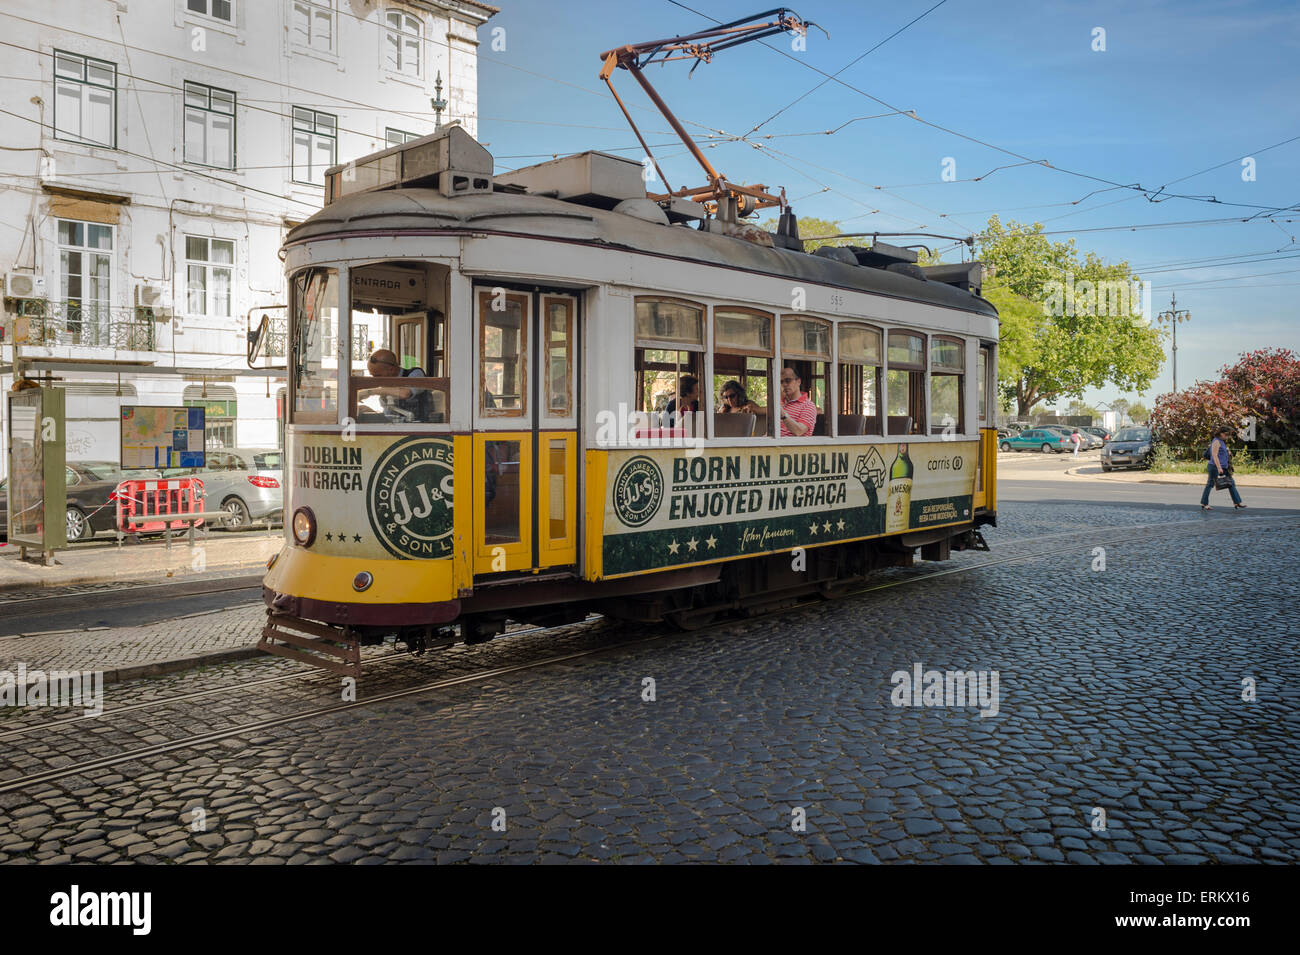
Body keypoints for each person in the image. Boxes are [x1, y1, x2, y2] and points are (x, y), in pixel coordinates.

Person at [356, 348, 431, 422]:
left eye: (377, 375)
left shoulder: (416, 374)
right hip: (395, 428)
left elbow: (405, 393)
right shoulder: (385, 386)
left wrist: (370, 392)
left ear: (391, 369)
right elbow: (389, 417)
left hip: (420, 427)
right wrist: (370, 412)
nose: (375, 380)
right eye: (372, 376)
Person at [1201, 425, 1245, 511]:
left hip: (1224, 467)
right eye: (1226, 434)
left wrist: (1227, 452)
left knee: (1231, 483)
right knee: (1210, 484)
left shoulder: (1221, 441)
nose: (1228, 436)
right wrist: (1219, 468)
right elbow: (1214, 455)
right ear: (1221, 433)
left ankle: (1237, 502)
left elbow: (1221, 453)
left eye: (1229, 435)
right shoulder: (1216, 441)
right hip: (1215, 467)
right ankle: (1204, 503)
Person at [778, 367, 818, 436]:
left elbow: (799, 431)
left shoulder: (808, 406)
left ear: (798, 382)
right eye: (781, 382)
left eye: (788, 380)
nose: (784, 384)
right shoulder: (782, 403)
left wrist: (783, 414)